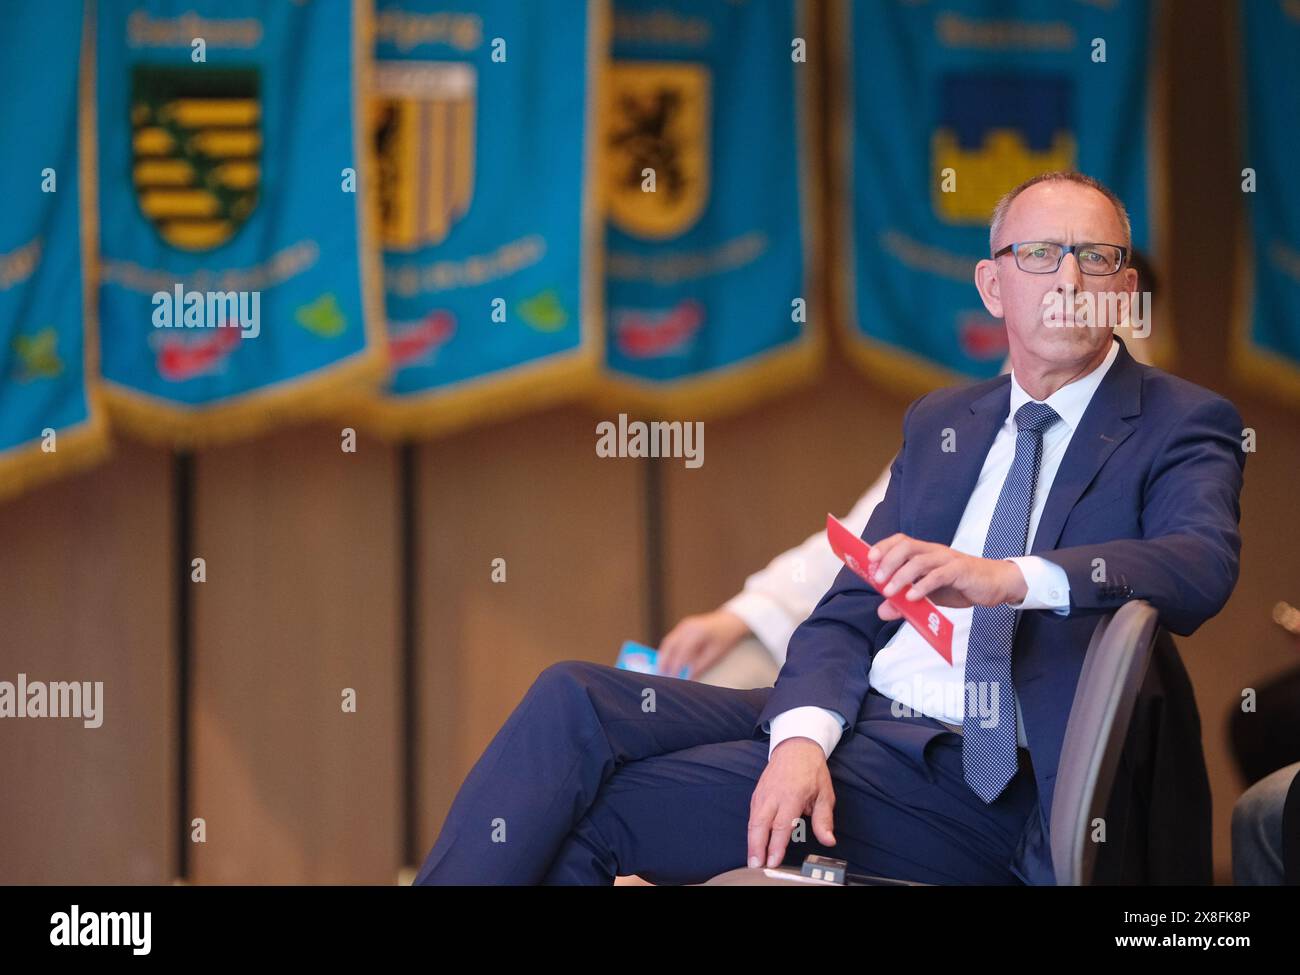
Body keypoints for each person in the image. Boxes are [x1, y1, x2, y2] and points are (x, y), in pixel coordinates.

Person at [412, 171, 1245, 885]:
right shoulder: (948, 421)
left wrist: (1012, 577)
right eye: (1039, 255)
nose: (1067, 278)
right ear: (994, 286)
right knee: (574, 697)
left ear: (1123, 286)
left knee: (602, 813)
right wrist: (802, 738)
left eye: (1094, 258)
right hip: (865, 721)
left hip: (984, 777)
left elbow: (1198, 565)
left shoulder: (1178, 422)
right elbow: (847, 608)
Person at [658, 256, 1158, 690]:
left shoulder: (1150, 442)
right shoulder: (969, 421)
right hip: (890, 677)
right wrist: (745, 614)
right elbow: (864, 542)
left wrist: (1002, 580)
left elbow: (1176, 569)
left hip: (1018, 707)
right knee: (712, 681)